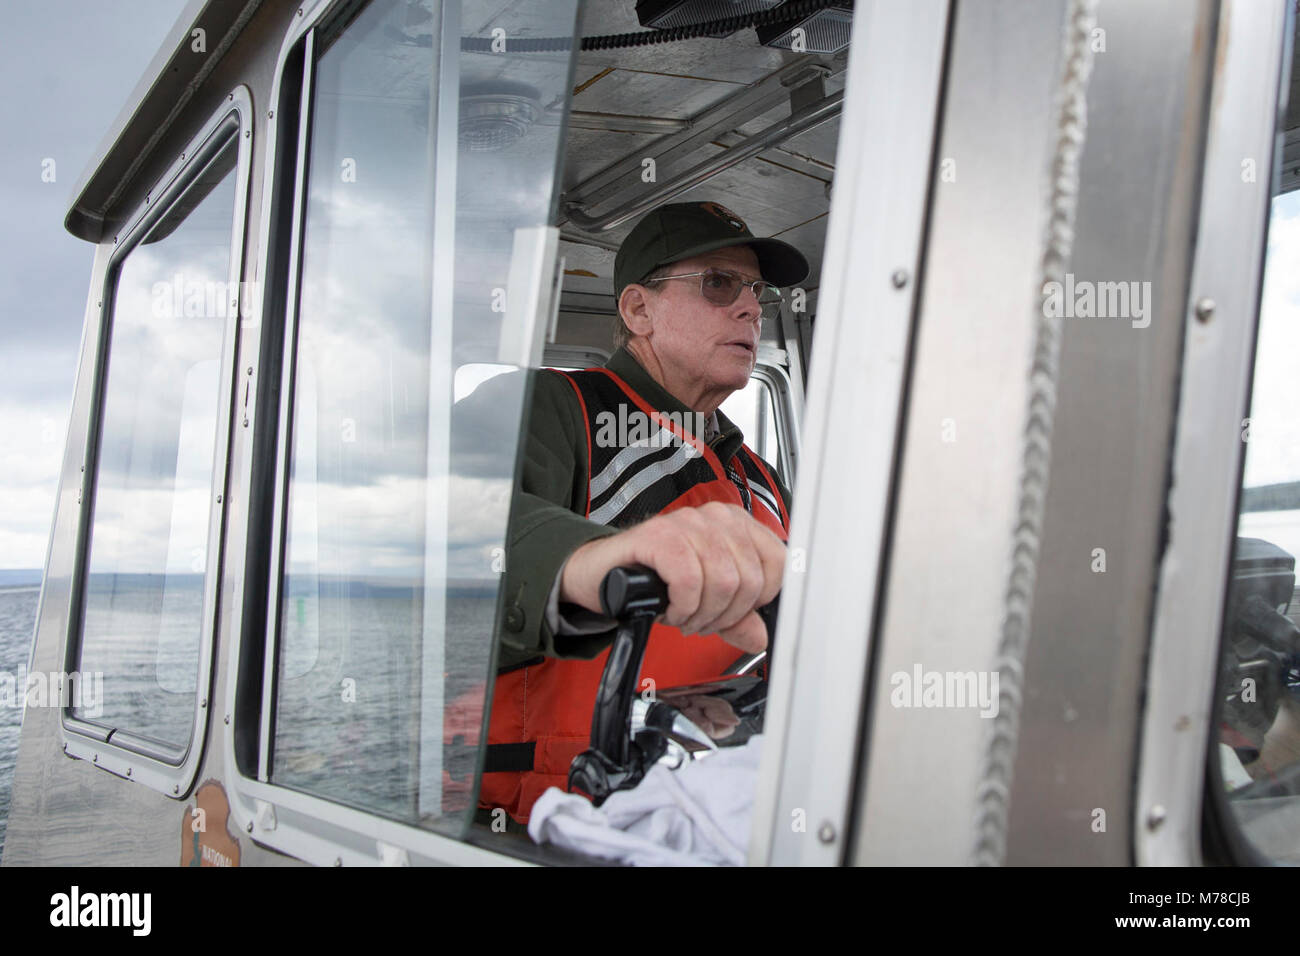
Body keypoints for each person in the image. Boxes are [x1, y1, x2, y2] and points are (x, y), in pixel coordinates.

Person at [480, 200, 809, 824]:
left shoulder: (759, 478)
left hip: (724, 811)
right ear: (638, 310)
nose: (750, 308)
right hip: (553, 824)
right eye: (719, 284)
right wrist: (599, 559)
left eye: (757, 293)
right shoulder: (551, 408)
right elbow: (442, 523)